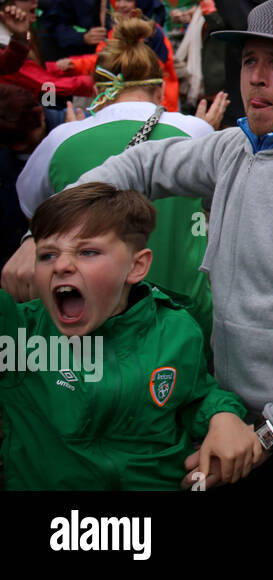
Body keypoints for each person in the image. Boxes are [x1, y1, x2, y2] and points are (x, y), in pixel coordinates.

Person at [66, 0, 273, 491]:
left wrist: (270, 432)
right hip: (242, 420)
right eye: (249, 61)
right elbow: (142, 165)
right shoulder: (236, 147)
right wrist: (50, 231)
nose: (256, 78)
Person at [0, 183, 257, 490]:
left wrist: (223, 416)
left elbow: (195, 395)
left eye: (87, 252)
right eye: (47, 255)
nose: (62, 265)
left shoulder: (176, 329)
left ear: (137, 266)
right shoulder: (18, 335)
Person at [9, 13, 225, 342]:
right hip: (186, 323)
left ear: (99, 91)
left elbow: (33, 211)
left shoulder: (60, 140)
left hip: (86, 321)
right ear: (160, 90)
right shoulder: (195, 131)